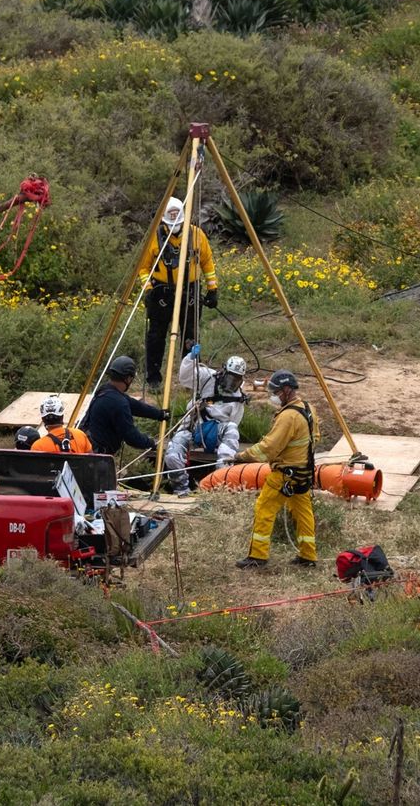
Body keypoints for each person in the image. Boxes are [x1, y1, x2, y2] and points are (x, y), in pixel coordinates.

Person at [233, 369, 318, 570]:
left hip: (284, 475)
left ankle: (257, 556)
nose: (274, 396)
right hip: (304, 474)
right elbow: (315, 439)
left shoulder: (288, 416)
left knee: (264, 508)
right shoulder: (308, 408)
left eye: (276, 392)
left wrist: (242, 457)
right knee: (303, 514)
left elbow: (269, 448)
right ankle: (308, 555)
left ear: (287, 390)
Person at [137, 197, 219, 385]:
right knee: (156, 336)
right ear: (164, 221)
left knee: (190, 335)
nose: (175, 226)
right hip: (161, 294)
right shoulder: (154, 238)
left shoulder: (197, 235)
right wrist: (149, 290)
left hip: (190, 292)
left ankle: (189, 376)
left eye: (179, 222)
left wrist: (212, 289)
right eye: (170, 223)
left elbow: (207, 263)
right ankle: (154, 377)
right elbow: (143, 268)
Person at [164, 345, 247, 497]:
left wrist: (218, 444)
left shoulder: (238, 398)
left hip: (217, 431)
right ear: (224, 371)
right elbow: (186, 377)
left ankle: (220, 485)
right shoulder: (208, 377)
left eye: (235, 380)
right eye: (229, 378)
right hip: (194, 426)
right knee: (172, 455)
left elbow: (234, 421)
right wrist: (191, 358)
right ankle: (181, 488)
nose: (231, 383)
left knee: (232, 430)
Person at [79, 356, 169, 456]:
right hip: (97, 457)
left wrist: (159, 414)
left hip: (87, 448)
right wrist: (151, 443)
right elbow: (131, 437)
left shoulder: (106, 391)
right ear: (128, 378)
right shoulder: (118, 402)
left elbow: (136, 406)